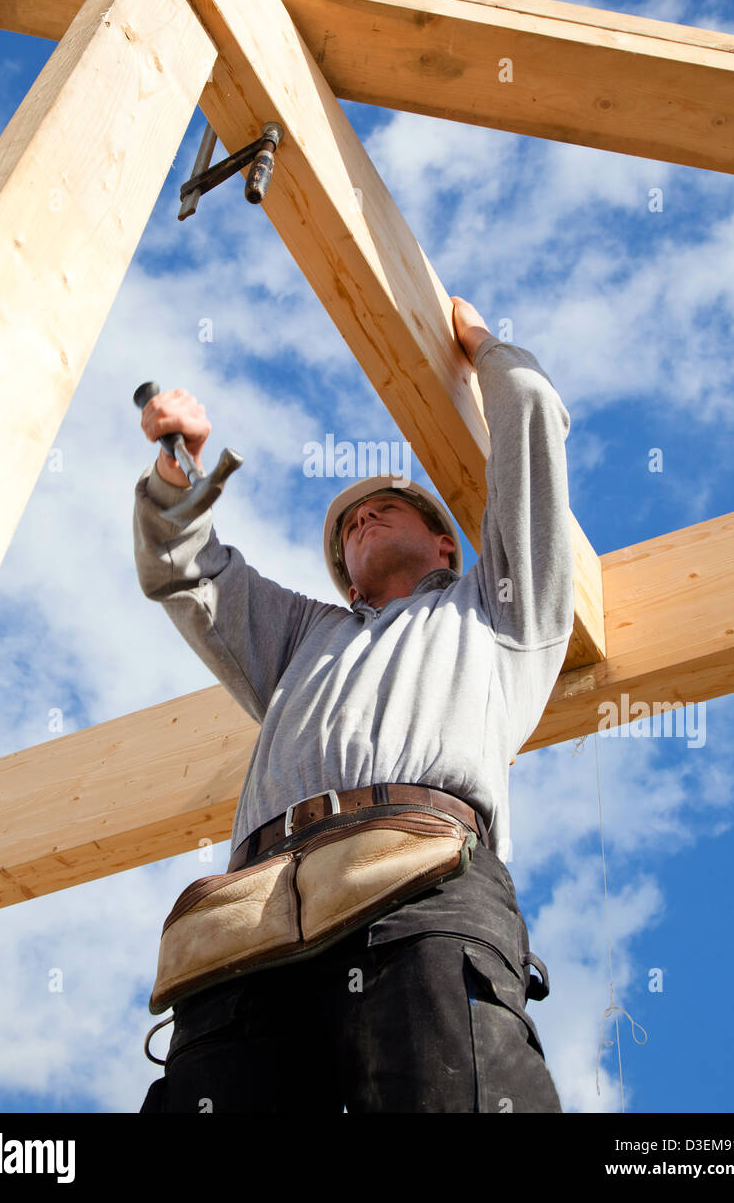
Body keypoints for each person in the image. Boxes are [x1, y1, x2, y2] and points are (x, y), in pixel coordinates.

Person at [134, 296, 574, 1113]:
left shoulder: (501, 607)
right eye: (349, 529)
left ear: (447, 541)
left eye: (387, 509)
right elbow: (188, 573)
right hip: (252, 923)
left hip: (417, 886)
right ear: (341, 578)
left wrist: (481, 347)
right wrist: (175, 477)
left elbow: (531, 426)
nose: (363, 519)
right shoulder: (306, 636)